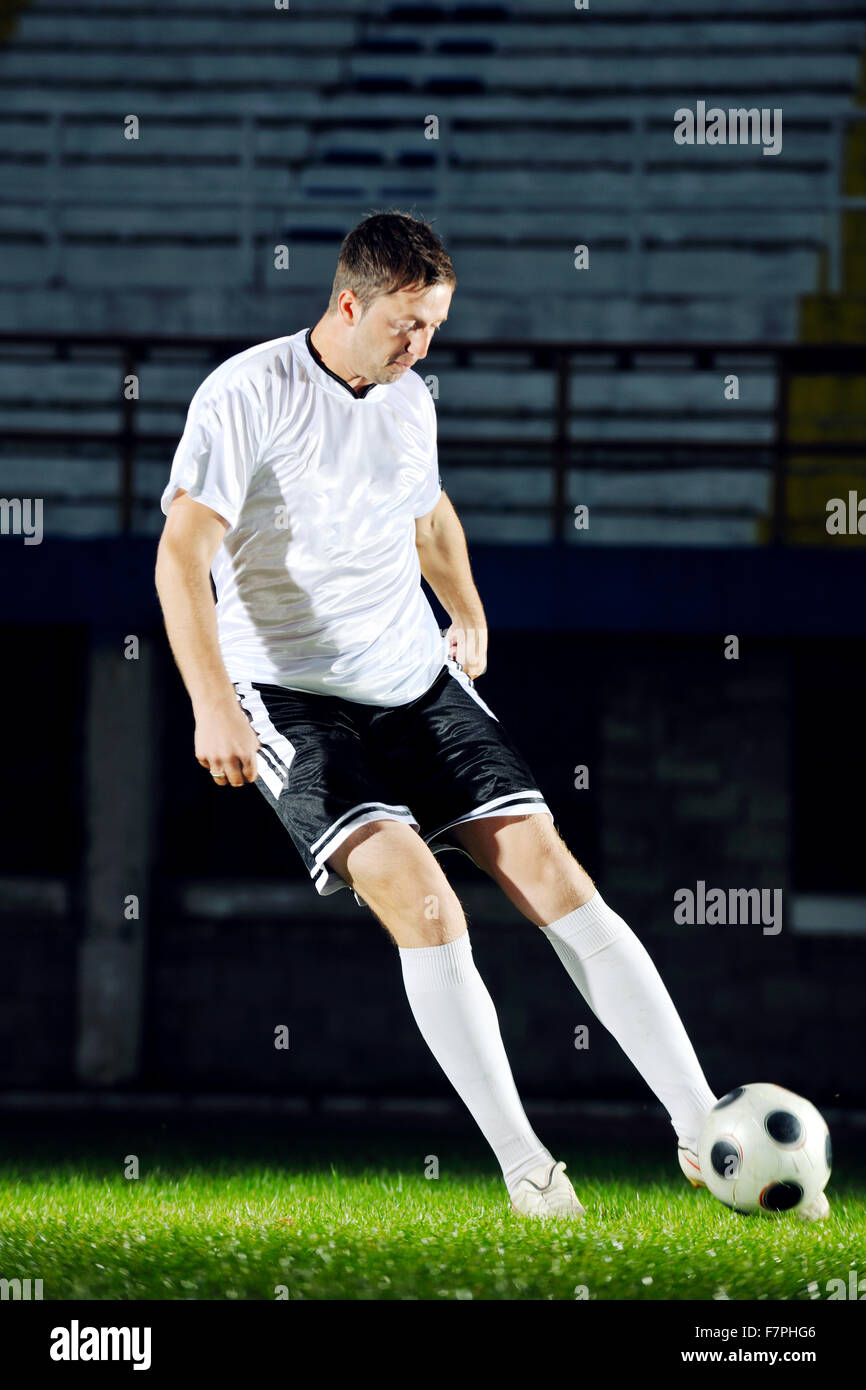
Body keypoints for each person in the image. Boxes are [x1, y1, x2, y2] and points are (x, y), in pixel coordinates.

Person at [155, 210, 726, 1221]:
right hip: (291, 694)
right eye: (406, 326)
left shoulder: (407, 397)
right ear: (347, 303)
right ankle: (529, 1172)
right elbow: (179, 556)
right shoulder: (247, 393)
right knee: (428, 907)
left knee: (555, 875)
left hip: (415, 678)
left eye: (434, 325)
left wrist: (464, 606)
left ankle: (703, 1130)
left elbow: (426, 513)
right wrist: (212, 704)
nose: (422, 346)